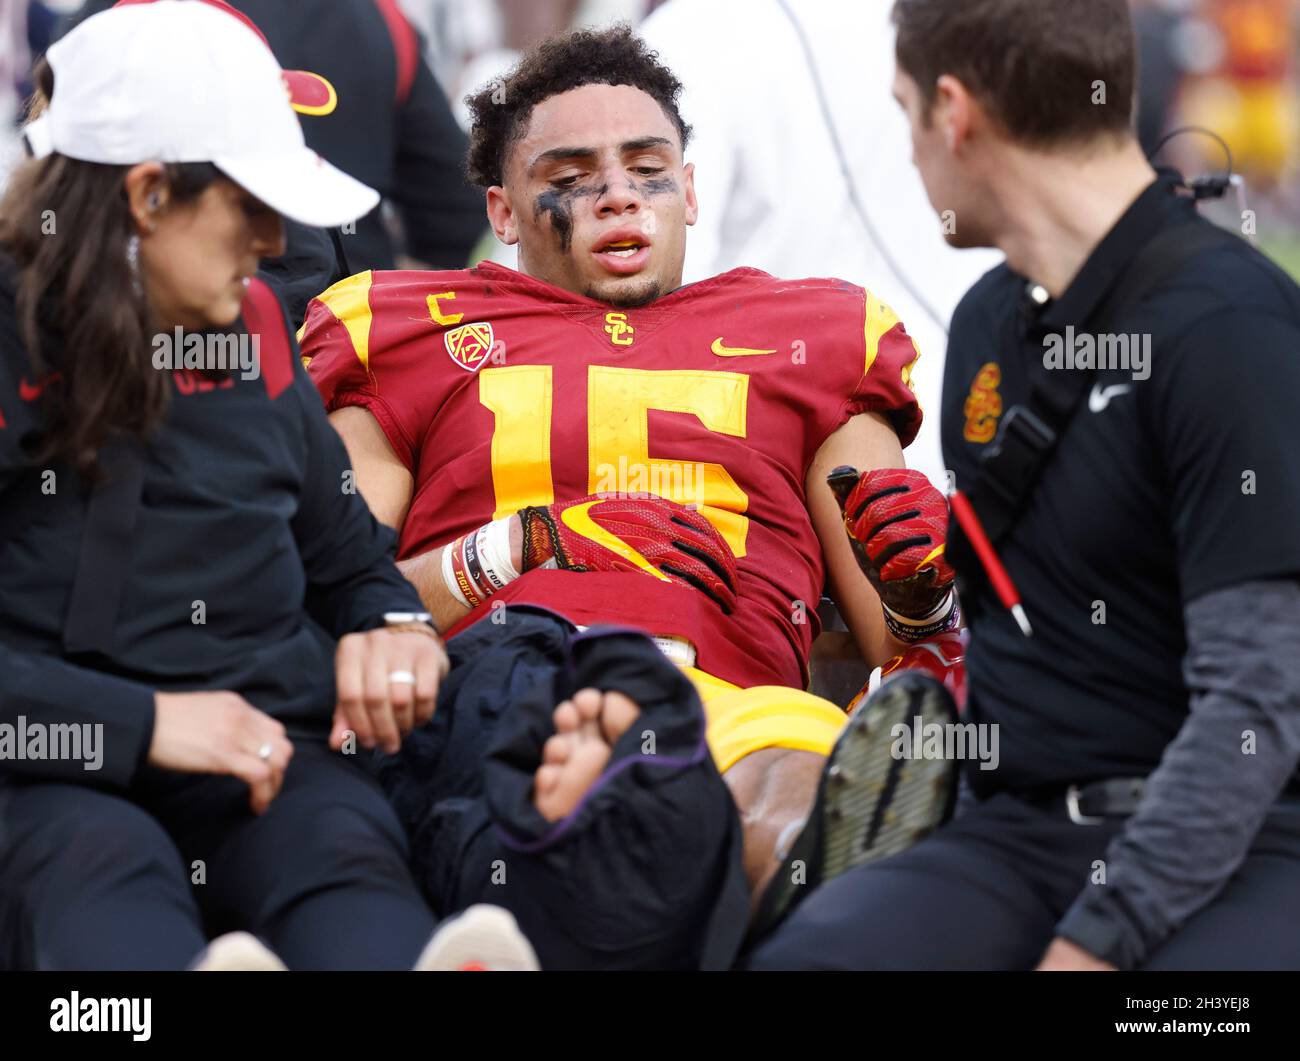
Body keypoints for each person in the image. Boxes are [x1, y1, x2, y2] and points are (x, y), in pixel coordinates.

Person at [299, 25, 962, 959]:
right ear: (506, 208)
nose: (616, 192)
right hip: (487, 688)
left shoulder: (815, 334)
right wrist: (522, 544)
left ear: (689, 190)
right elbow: (333, 606)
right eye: (570, 172)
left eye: (646, 166)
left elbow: (900, 629)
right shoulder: (411, 325)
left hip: (721, 702)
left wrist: (923, 585)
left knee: (805, 816)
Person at [747, 0, 1300, 971]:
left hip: (1241, 842)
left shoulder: (1232, 326)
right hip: (1017, 833)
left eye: (904, 111)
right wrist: (919, 601)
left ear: (952, 112)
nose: (912, 155)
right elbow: (1023, 632)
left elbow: (1257, 697)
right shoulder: (985, 326)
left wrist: (1095, 939)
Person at [0, 1, 460, 971]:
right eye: (251, 203)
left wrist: (394, 629)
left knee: (345, 857)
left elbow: (346, 555)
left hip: (263, 747)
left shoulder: (253, 324)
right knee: (101, 864)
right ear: (149, 195)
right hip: (51, 768)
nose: (272, 239)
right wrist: (150, 723)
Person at [67, 0, 486, 275]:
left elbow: (57, 192)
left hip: (178, 331)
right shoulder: (380, 20)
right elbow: (458, 212)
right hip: (347, 339)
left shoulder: (111, 21)